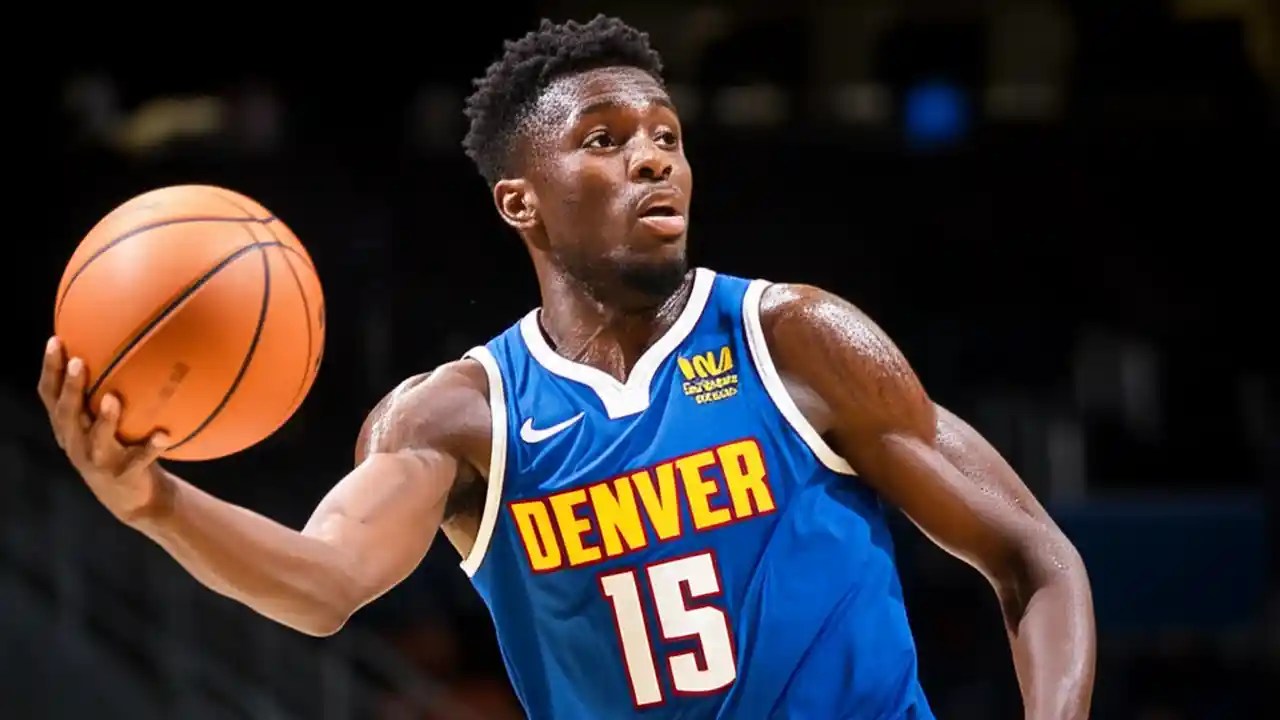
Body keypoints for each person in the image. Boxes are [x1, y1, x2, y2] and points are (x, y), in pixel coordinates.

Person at [37, 15, 1096, 720]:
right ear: (519, 200)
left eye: (666, 135)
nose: (651, 155)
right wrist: (151, 502)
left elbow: (1033, 560)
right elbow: (324, 587)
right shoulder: (460, 419)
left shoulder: (795, 341)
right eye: (602, 137)